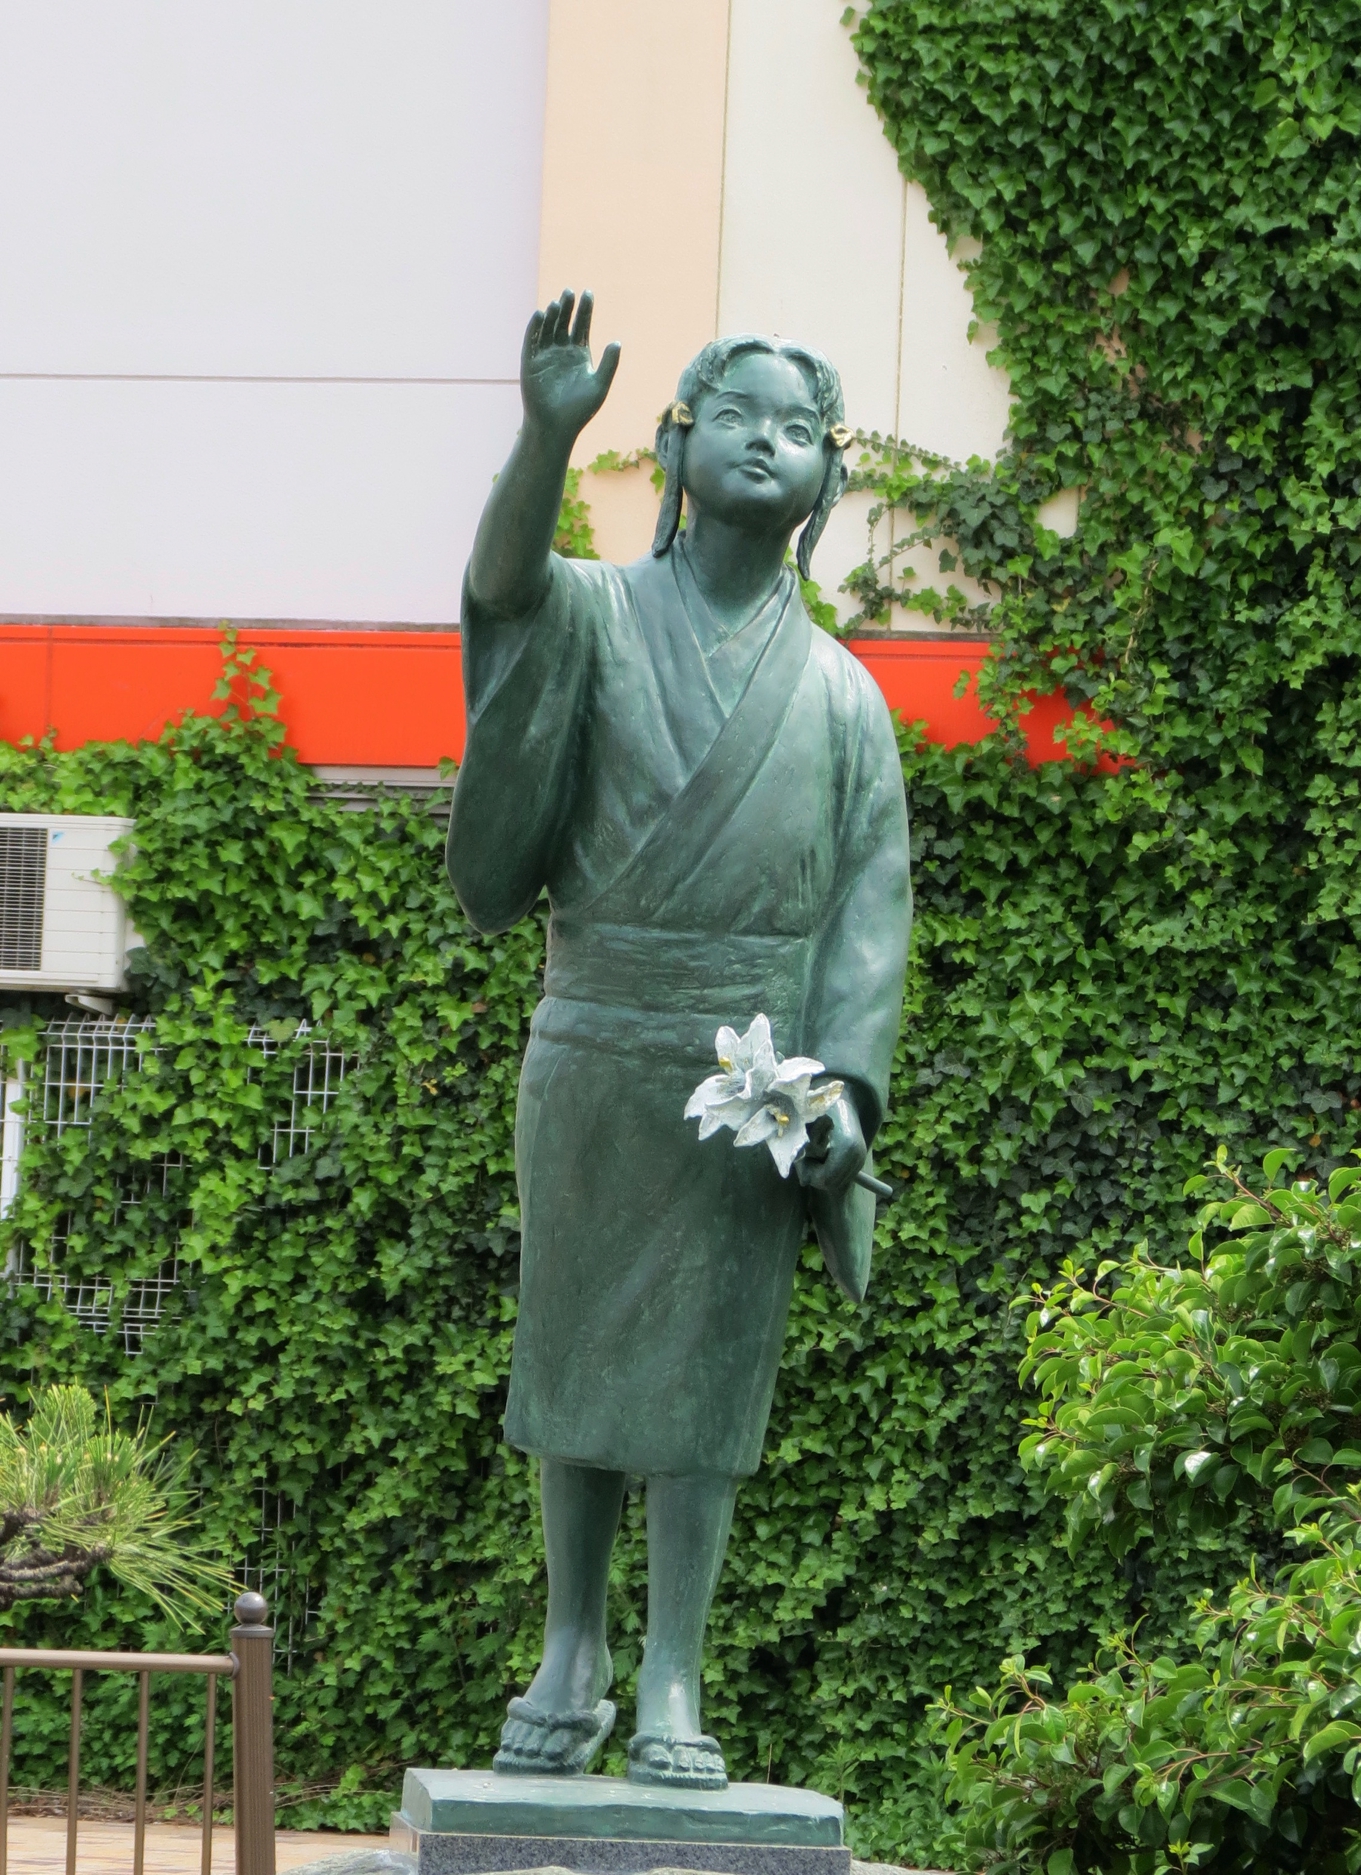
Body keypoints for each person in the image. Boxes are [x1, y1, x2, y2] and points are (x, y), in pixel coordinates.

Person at [447, 290, 911, 1791]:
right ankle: (568, 1645)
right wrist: (540, 436)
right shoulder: (592, 611)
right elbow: (501, 593)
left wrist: (842, 1085)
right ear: (673, 444)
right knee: (573, 1349)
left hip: (751, 1076)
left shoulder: (844, 698)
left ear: (827, 483)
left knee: (712, 1381)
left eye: (798, 429)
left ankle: (671, 1673)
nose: (766, 444)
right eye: (736, 415)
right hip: (595, 1037)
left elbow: (864, 915)